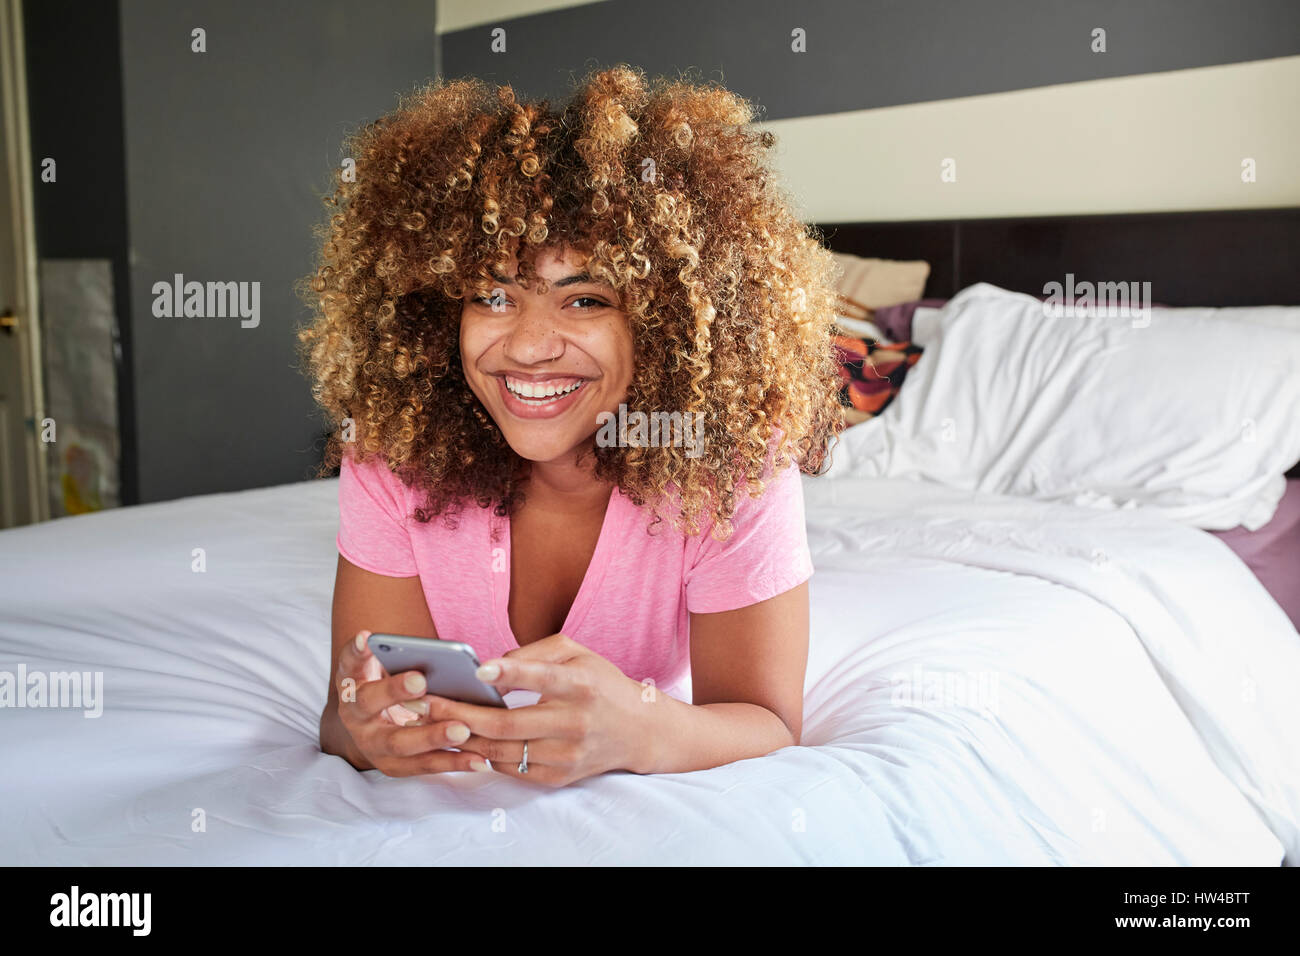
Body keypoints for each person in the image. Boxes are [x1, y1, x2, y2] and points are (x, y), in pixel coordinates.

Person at [297, 65, 843, 786]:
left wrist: (641, 729)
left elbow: (767, 722)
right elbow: (345, 719)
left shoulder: (728, 468)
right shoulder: (394, 454)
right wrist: (368, 733)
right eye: (493, 295)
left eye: (584, 300)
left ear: (666, 322)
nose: (527, 346)